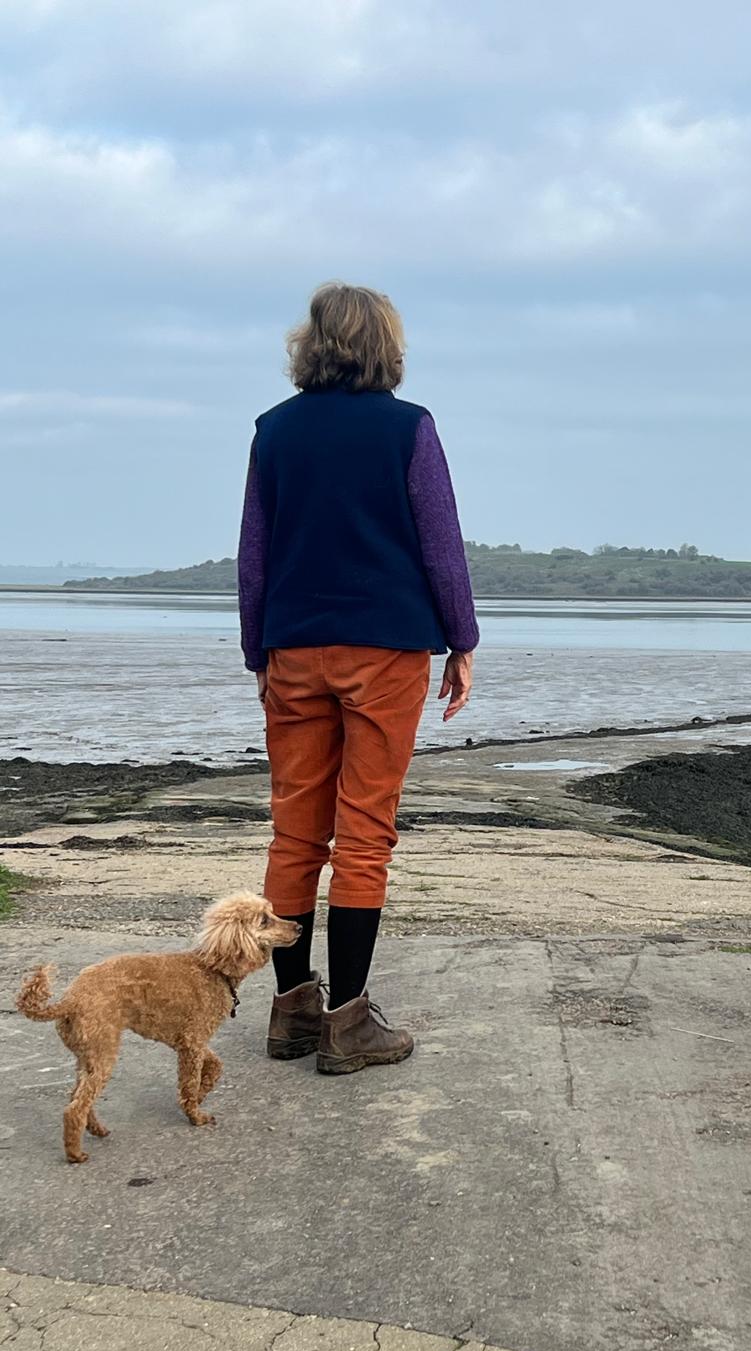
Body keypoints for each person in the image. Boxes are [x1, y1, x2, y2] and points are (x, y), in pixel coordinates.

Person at [237, 282, 479, 1075]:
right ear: (386, 344)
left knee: (294, 829)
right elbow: (440, 542)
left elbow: (255, 556)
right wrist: (461, 639)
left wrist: (257, 651)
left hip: (294, 647)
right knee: (364, 833)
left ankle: (290, 1012)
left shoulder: (273, 431)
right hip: (386, 649)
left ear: (311, 343)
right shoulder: (408, 427)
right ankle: (348, 1025)